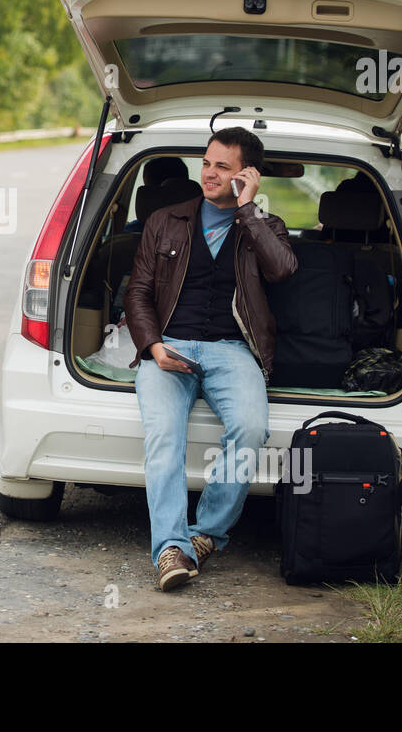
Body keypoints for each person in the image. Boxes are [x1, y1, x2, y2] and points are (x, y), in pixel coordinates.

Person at [124, 127, 298, 591]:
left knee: (251, 428)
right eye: (207, 163)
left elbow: (282, 270)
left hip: (232, 351)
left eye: (223, 166)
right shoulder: (165, 221)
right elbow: (137, 292)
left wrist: (246, 211)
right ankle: (170, 550)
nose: (209, 173)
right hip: (169, 346)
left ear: (246, 175)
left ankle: (207, 535)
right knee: (164, 438)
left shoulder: (265, 225)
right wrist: (154, 346)